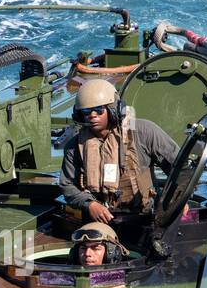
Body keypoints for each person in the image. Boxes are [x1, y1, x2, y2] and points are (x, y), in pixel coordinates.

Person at [59, 78, 178, 225]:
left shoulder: (143, 132)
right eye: (86, 111)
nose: (92, 115)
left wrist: (177, 200)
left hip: (146, 218)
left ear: (113, 109)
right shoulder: (75, 146)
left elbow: (179, 166)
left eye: (99, 110)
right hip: (101, 222)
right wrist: (90, 205)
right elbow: (68, 186)